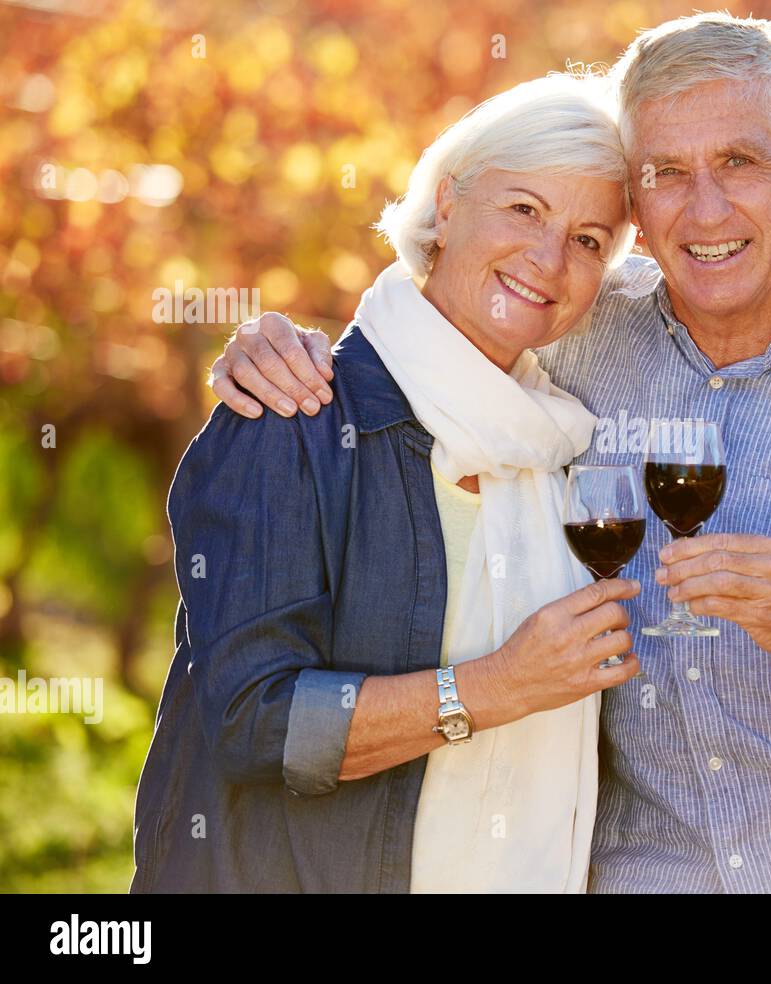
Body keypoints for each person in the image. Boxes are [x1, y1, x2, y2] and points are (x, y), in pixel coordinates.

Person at [211, 13, 771, 893]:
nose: (704, 210)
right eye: (665, 175)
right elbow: (456, 316)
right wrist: (281, 345)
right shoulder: (581, 327)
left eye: (739, 162)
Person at [131, 72, 642, 893]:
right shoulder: (293, 416)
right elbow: (254, 723)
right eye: (524, 210)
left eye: (589, 240)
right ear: (446, 205)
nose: (549, 258)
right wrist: (495, 687)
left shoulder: (563, 449)